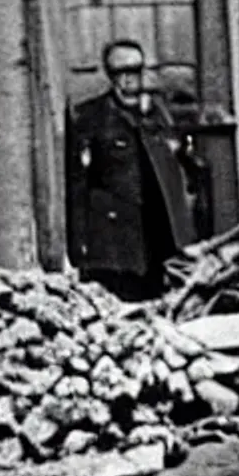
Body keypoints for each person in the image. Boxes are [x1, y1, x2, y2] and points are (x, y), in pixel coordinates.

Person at [66, 38, 199, 302]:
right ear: (110, 75)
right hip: (116, 244)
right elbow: (78, 186)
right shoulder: (90, 117)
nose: (128, 80)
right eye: (119, 72)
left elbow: (183, 166)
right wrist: (79, 247)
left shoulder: (158, 114)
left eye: (134, 70)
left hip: (160, 235)